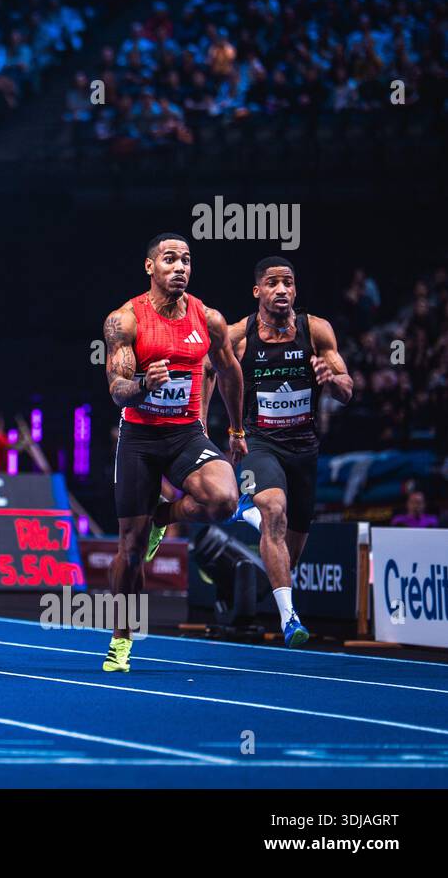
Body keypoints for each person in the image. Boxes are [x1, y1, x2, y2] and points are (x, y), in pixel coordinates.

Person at [102, 232, 244, 672]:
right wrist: (145, 382)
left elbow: (229, 371)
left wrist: (237, 428)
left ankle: (165, 514)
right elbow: (117, 391)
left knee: (224, 501)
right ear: (151, 268)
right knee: (130, 547)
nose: (180, 267)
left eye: (186, 260)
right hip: (140, 439)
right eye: (169, 259)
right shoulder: (124, 321)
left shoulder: (210, 319)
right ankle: (122, 638)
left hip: (185, 435)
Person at [202, 256, 353, 647]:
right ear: (258, 291)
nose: (282, 289)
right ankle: (290, 620)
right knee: (274, 510)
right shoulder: (239, 334)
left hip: (304, 448)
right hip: (259, 443)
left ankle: (249, 517)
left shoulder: (316, 330)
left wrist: (331, 378)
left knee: (289, 547)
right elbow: (206, 368)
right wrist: (204, 425)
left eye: (288, 283)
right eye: (272, 283)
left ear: (296, 290)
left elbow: (348, 389)